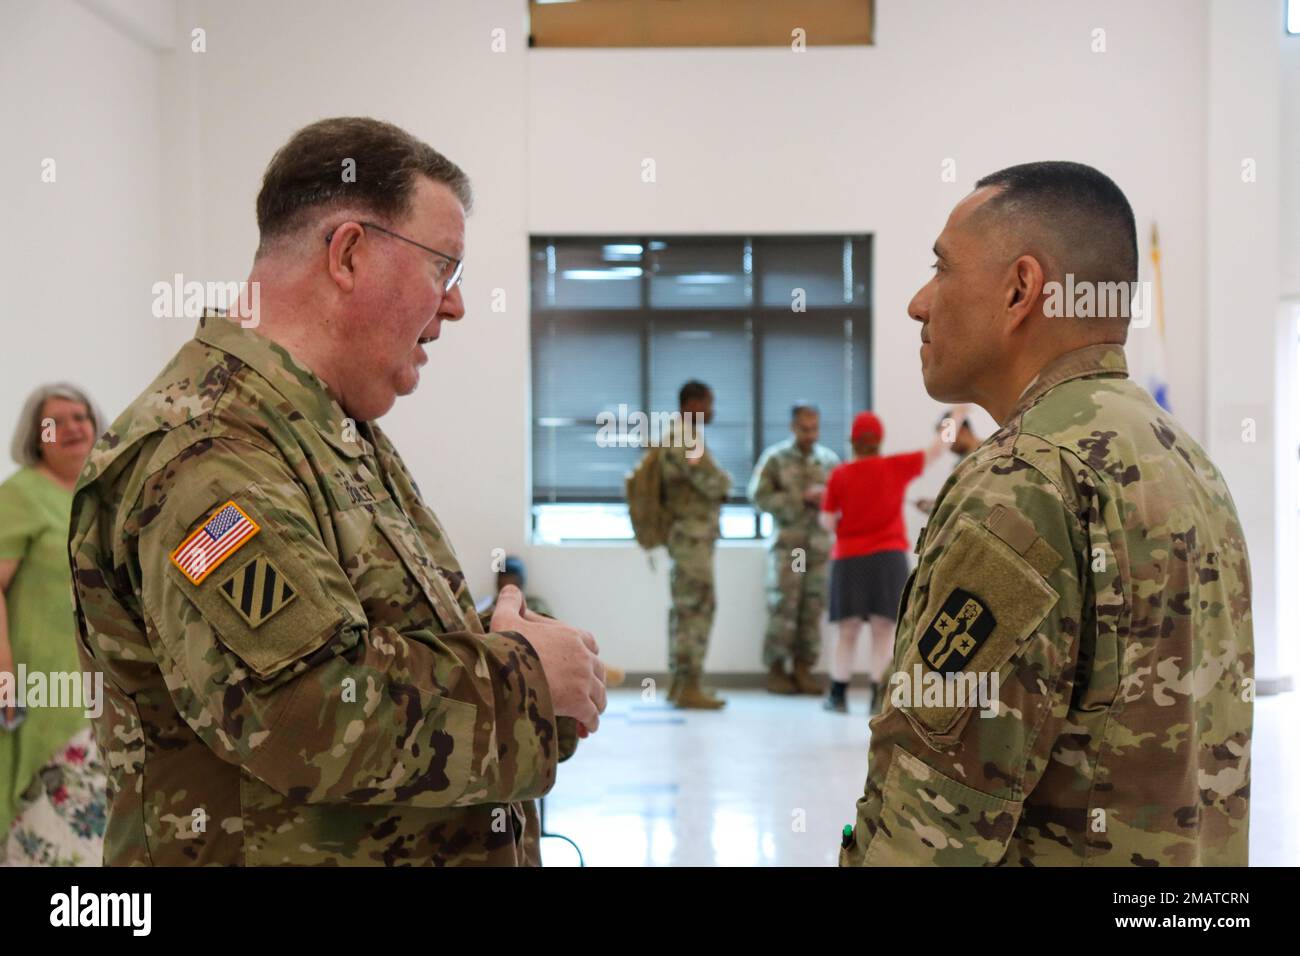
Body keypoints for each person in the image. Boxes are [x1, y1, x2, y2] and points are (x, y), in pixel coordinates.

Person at [69, 117, 607, 867]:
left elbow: (349, 635)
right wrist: (523, 679)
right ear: (349, 253)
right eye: (444, 269)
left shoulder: (324, 427)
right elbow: (302, 712)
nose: (453, 306)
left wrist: (499, 641)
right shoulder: (205, 453)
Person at [840, 161, 1252, 866]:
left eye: (940, 269)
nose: (918, 302)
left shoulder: (1022, 482)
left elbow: (932, 832)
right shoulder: (1188, 463)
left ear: (1021, 289)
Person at [0, 383, 107, 865]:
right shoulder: (21, 494)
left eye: (81, 416)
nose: (72, 427)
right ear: (35, 434)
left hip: (104, 696)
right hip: (40, 691)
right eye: (56, 420)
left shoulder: (106, 496)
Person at [819, 409, 962, 714]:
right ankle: (879, 695)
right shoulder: (895, 467)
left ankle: (837, 695)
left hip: (849, 560)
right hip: (888, 559)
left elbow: (827, 522)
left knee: (847, 631)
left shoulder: (839, 475)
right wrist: (959, 412)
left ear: (853, 441)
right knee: (885, 630)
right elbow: (940, 446)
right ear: (880, 439)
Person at [748, 403, 839, 695]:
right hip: (790, 548)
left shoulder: (828, 460)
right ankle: (777, 670)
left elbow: (843, 502)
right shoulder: (775, 458)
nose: (810, 434)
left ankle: (803, 669)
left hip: (817, 548)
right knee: (784, 605)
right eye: (804, 428)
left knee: (812, 606)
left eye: (814, 428)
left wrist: (825, 500)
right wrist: (798, 498)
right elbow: (758, 496)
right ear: (793, 427)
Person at [661, 380, 730, 709]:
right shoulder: (683, 439)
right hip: (692, 540)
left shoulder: (685, 436)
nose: (711, 410)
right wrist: (724, 482)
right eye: (708, 402)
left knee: (686, 610)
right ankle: (688, 685)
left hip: (691, 539)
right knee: (696, 610)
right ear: (692, 404)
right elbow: (713, 483)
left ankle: (681, 684)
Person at [914, 413, 981, 516]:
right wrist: (934, 505)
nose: (946, 445)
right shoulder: (963, 464)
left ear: (961, 430)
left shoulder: (989, 454)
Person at [475, 555, 554, 619]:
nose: (508, 591)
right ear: (497, 584)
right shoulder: (486, 606)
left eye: (513, 586)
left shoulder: (536, 605)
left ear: (522, 583)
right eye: (503, 586)